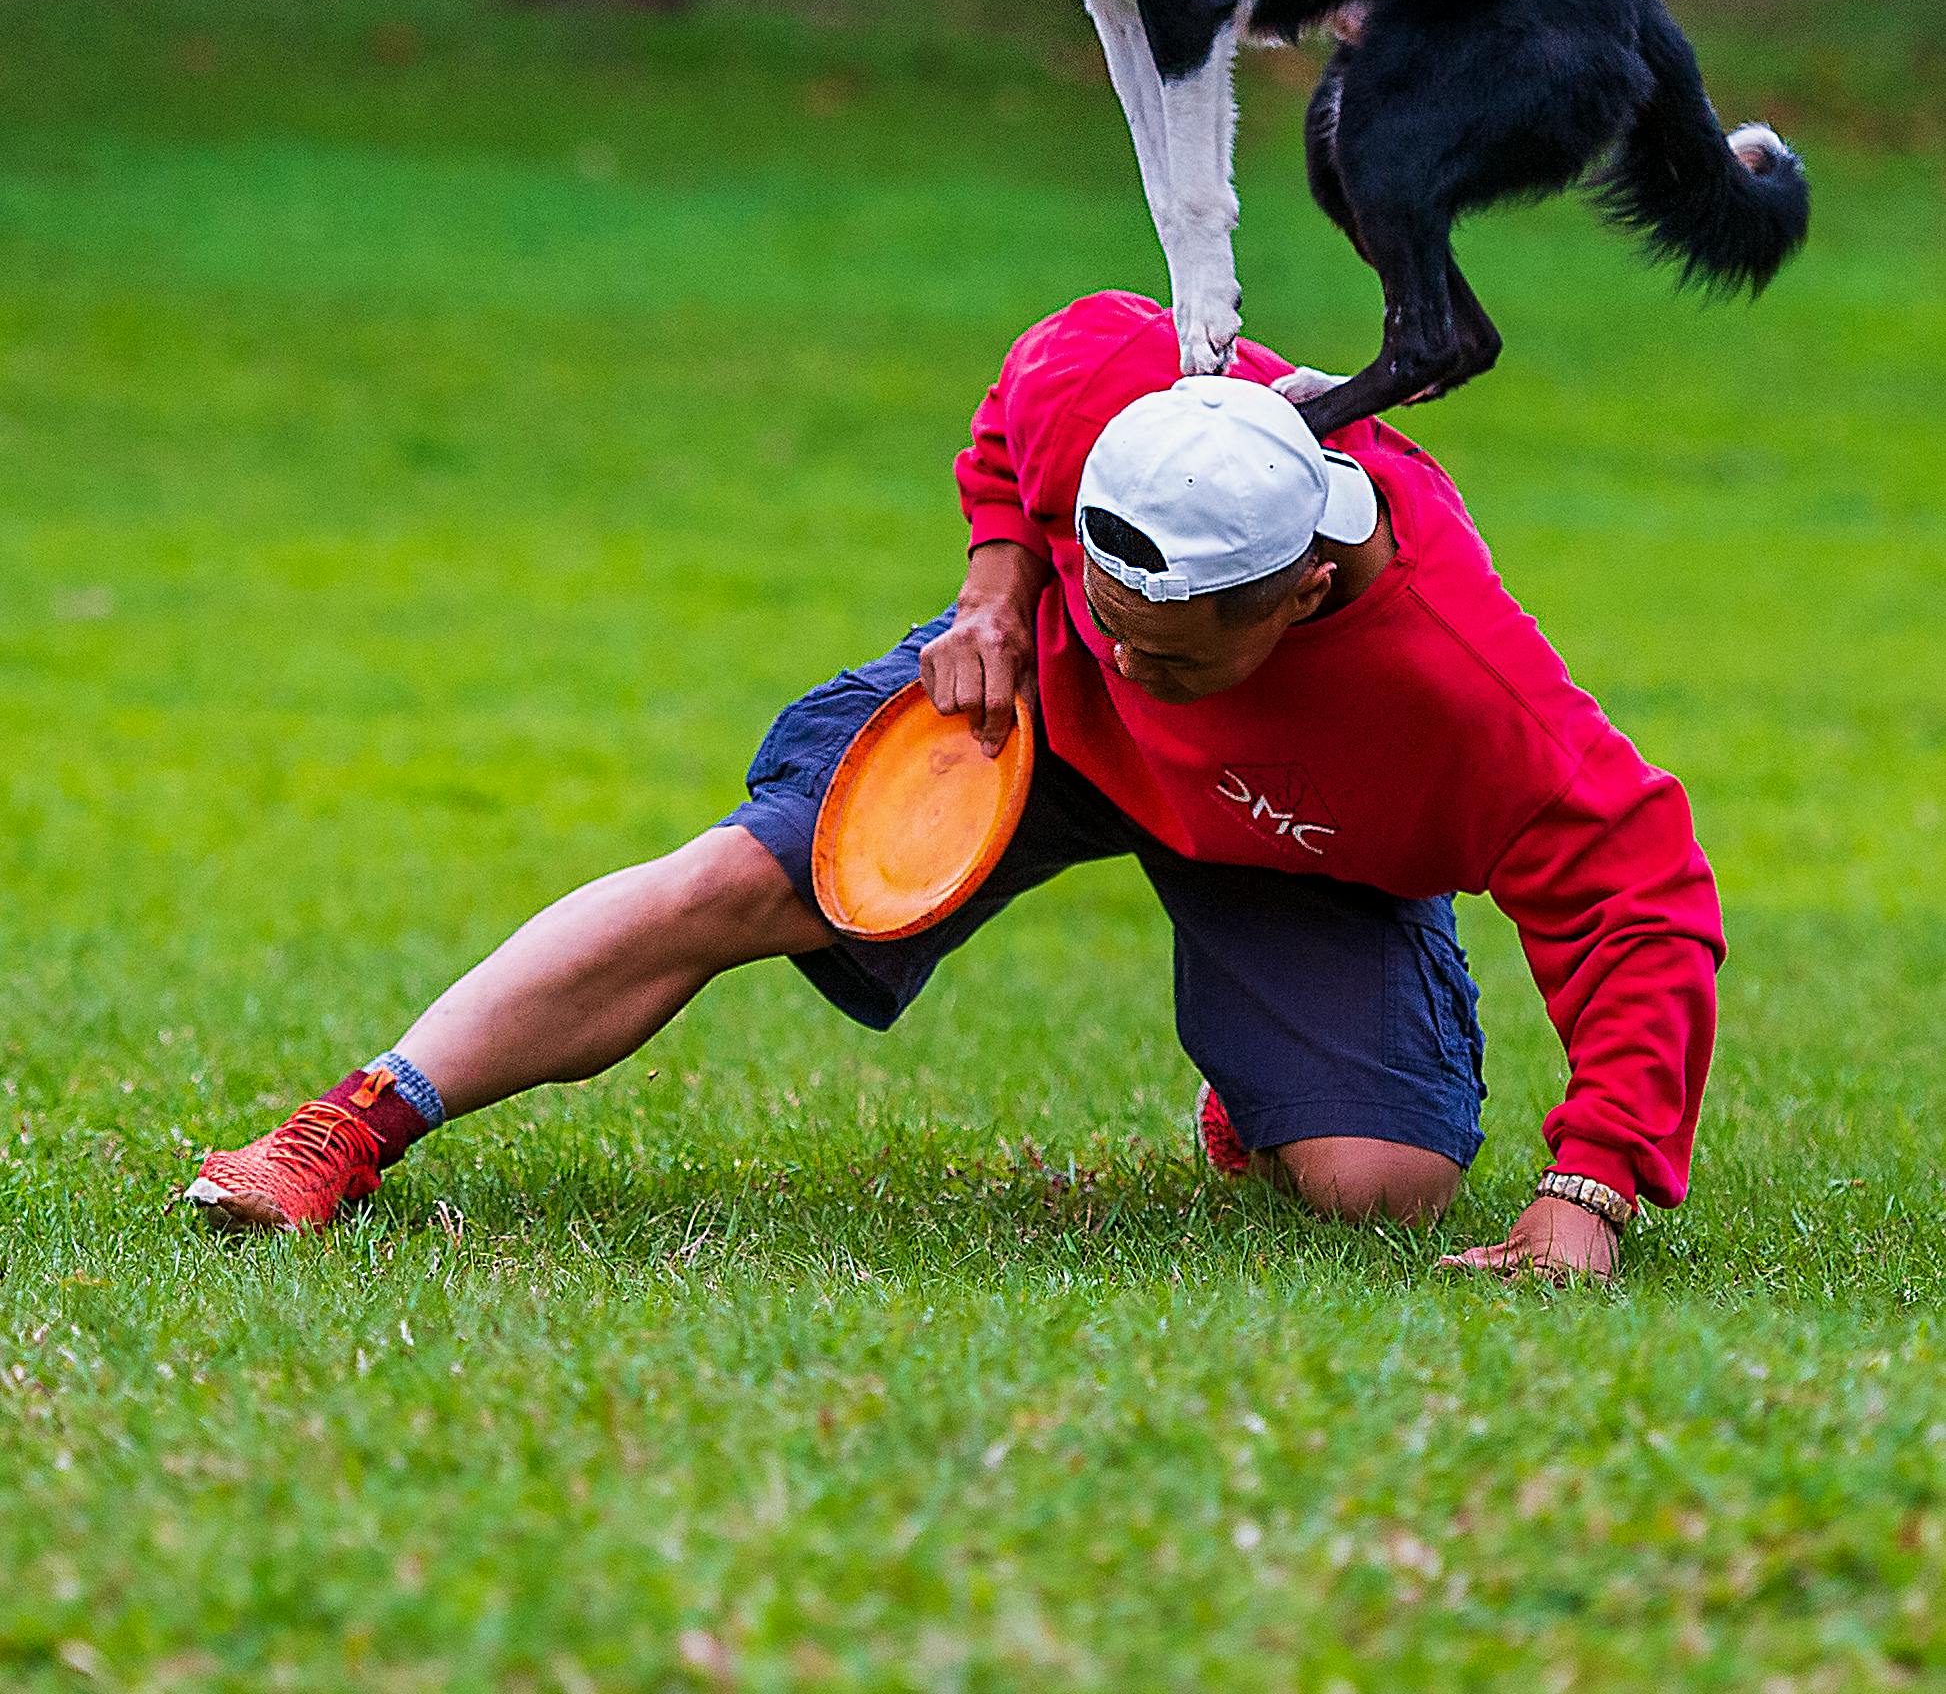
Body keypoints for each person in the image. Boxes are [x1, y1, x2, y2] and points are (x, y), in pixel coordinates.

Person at [189, 291, 1723, 1279]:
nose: (1140, 665)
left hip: (1296, 835)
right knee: (735, 883)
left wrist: (1586, 1189)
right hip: (1023, 711)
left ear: (1305, 590)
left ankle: (1264, 1088)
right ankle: (350, 1129)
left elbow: (1643, 901)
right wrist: (1000, 591)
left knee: (1381, 1190)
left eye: (1177, 655)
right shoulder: (1129, 385)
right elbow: (1029, 402)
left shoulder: (1466, 694)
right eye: (1116, 624)